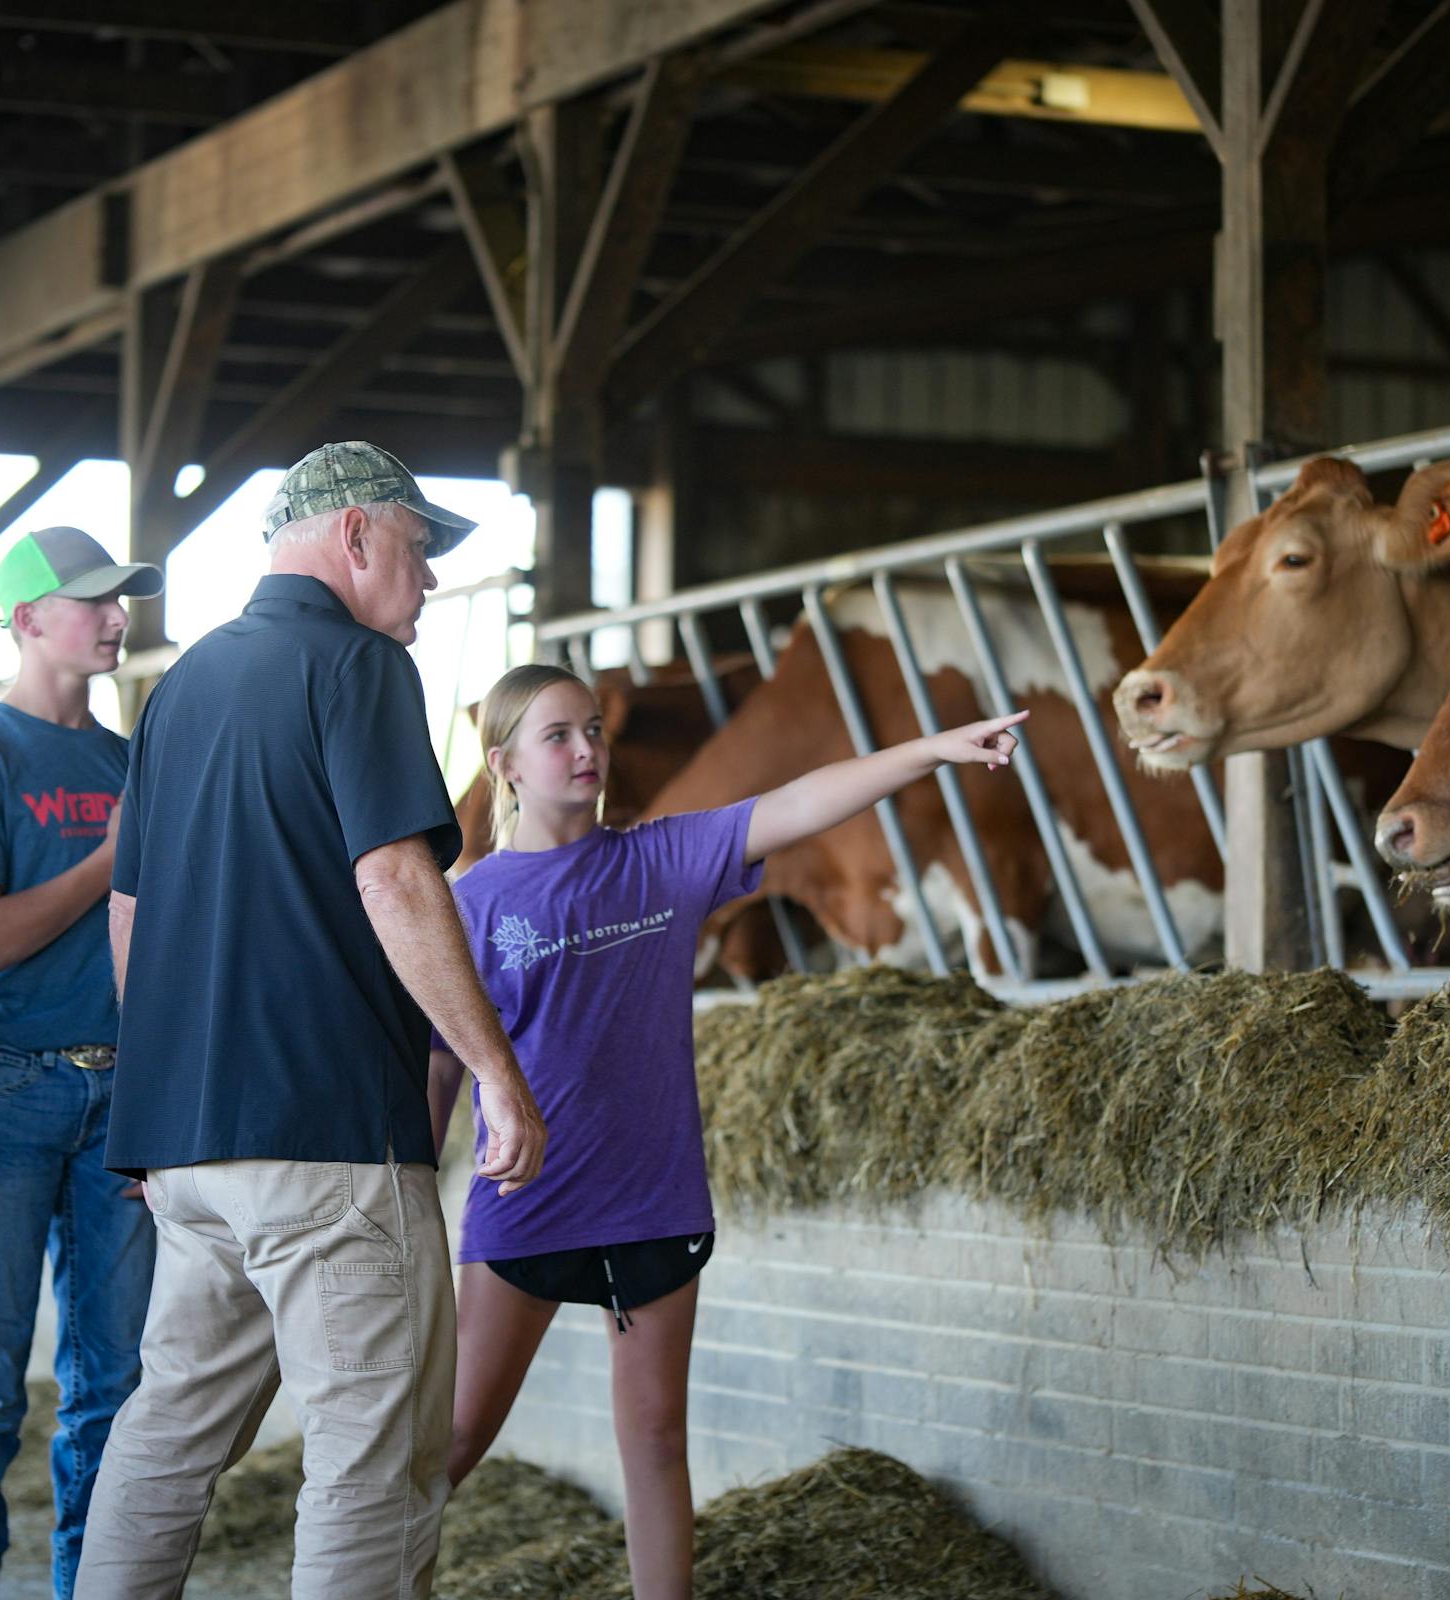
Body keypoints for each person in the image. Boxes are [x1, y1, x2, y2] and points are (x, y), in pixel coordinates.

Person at [431, 662, 1026, 1600]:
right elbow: (437, 1062)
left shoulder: (661, 859)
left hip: (651, 1198)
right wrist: (409, 1199)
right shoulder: (469, 906)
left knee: (656, 1438)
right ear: (503, 764)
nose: (587, 749)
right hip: (524, 1202)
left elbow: (800, 803)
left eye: (594, 729)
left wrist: (931, 751)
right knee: (457, 1437)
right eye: (558, 736)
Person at [75, 442, 546, 1600]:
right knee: (372, 1461)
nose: (428, 578)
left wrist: (153, 1102)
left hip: (190, 1155)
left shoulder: (183, 686)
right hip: (328, 1139)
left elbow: (129, 912)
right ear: (356, 534)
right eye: (420, 548)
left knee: (169, 1427)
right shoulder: (359, 664)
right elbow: (395, 876)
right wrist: (493, 1068)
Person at [0, 527, 167, 1600]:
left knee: (115, 1384)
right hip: (8, 1085)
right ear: (28, 620)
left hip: (122, 1093)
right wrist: (109, 859)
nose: (116, 617)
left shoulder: (132, 762)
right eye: (93, 600)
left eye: (121, 598)